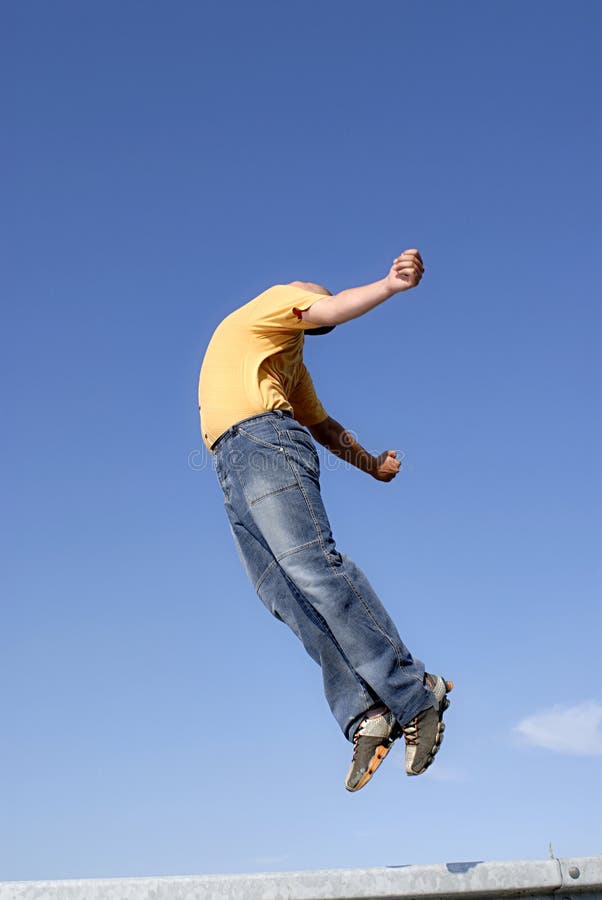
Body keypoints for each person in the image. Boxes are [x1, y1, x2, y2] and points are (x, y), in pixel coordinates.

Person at [198, 248, 453, 792]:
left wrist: (388, 285)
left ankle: (414, 692)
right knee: (282, 593)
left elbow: (332, 311)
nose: (316, 292)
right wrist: (372, 465)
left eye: (315, 297)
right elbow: (326, 427)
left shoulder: (276, 304)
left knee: (313, 568)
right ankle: (366, 712)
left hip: (264, 443)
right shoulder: (280, 351)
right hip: (230, 460)